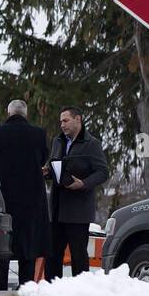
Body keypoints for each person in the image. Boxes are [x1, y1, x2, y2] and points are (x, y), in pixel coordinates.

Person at [0, 100, 50, 290]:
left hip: (3, 199)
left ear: (8, 113)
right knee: (28, 247)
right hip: (31, 199)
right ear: (25, 114)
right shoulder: (38, 134)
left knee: (1, 245)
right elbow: (42, 158)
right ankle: (26, 288)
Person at [48, 106, 109, 277]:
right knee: (52, 254)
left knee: (78, 255)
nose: (62, 125)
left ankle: (80, 291)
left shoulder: (91, 144)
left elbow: (103, 172)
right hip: (57, 208)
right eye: (61, 121)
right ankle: (51, 291)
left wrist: (83, 183)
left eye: (66, 120)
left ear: (78, 119)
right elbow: (55, 167)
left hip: (78, 211)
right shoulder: (58, 142)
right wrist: (47, 172)